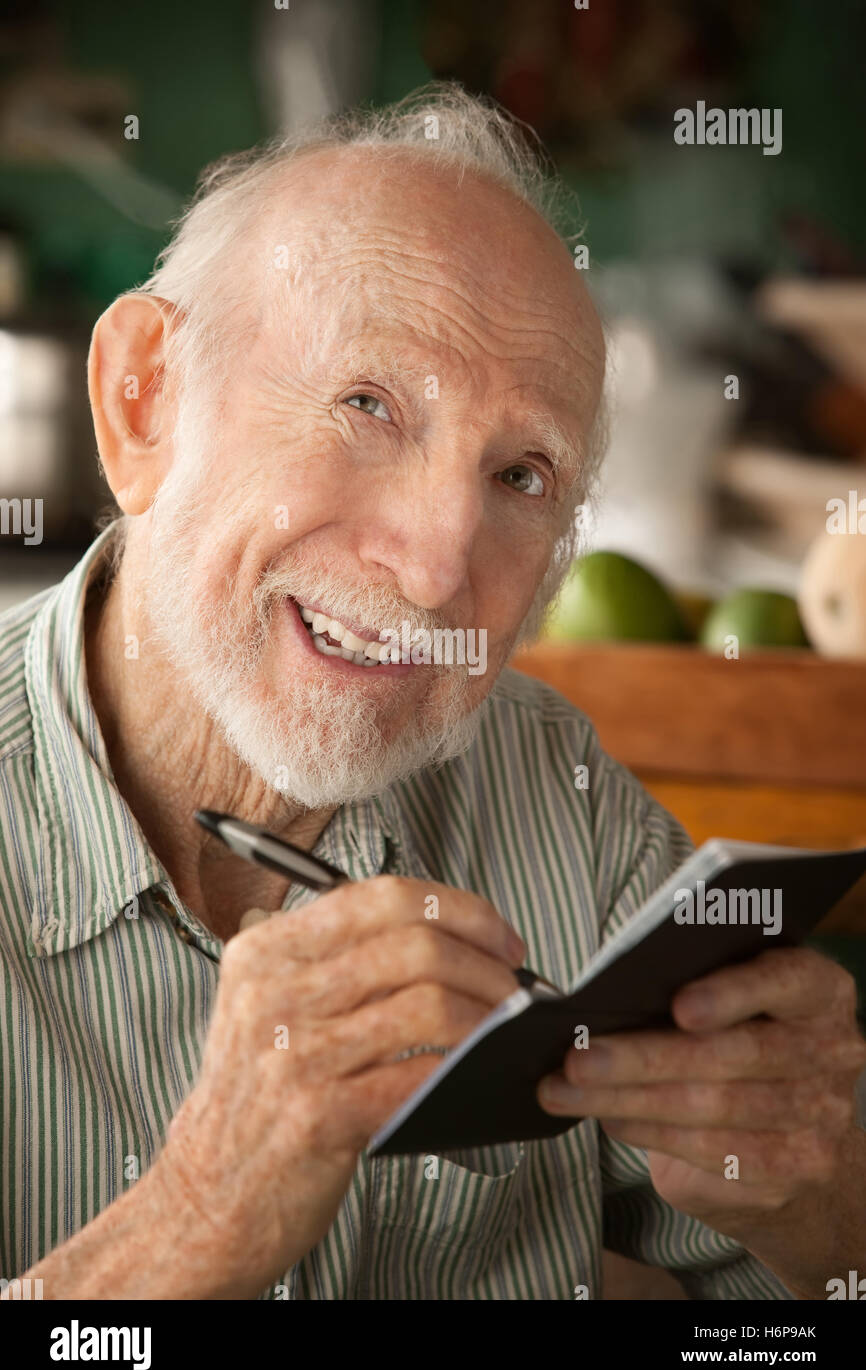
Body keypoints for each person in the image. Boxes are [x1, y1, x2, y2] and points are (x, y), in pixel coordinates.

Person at [1, 83, 863, 1301]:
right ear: (144, 400)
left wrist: (825, 1204)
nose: (436, 563)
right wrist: (188, 1227)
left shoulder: (574, 812)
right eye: (367, 405)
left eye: (520, 475)